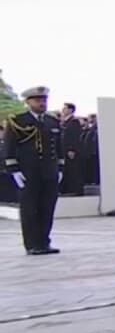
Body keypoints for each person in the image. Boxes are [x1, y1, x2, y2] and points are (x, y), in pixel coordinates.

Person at [3, 86, 64, 255]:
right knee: (30, 209)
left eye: (44, 100)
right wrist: (13, 170)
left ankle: (44, 241)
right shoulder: (18, 121)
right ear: (28, 102)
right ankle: (32, 244)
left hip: (49, 171)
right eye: (38, 100)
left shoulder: (52, 121)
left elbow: (59, 147)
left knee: (47, 207)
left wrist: (60, 167)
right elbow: (9, 147)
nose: (42, 103)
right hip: (28, 172)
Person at [58, 103, 84, 196]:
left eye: (65, 108)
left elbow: (74, 136)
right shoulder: (65, 121)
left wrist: (71, 149)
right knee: (67, 169)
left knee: (74, 170)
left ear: (71, 110)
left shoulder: (74, 121)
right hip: (64, 149)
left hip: (71, 150)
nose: (63, 110)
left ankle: (77, 190)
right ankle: (68, 189)